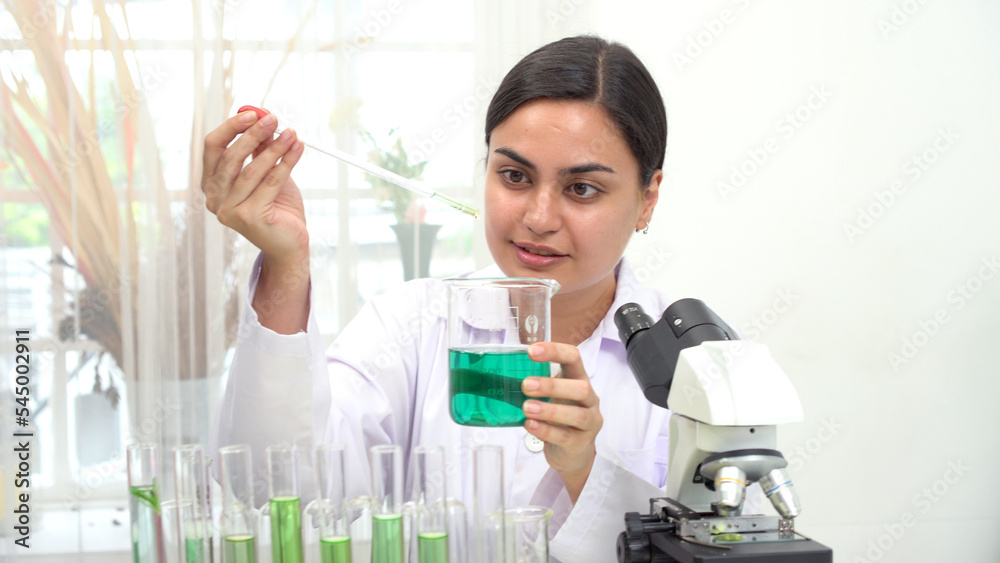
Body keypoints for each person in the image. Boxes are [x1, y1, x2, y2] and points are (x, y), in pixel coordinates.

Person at [206, 35, 675, 562]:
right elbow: (273, 486)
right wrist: (286, 265)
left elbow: (721, 544)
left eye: (582, 188)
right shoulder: (412, 325)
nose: (539, 218)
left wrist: (585, 469)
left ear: (646, 198)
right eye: (514, 176)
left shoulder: (694, 365)